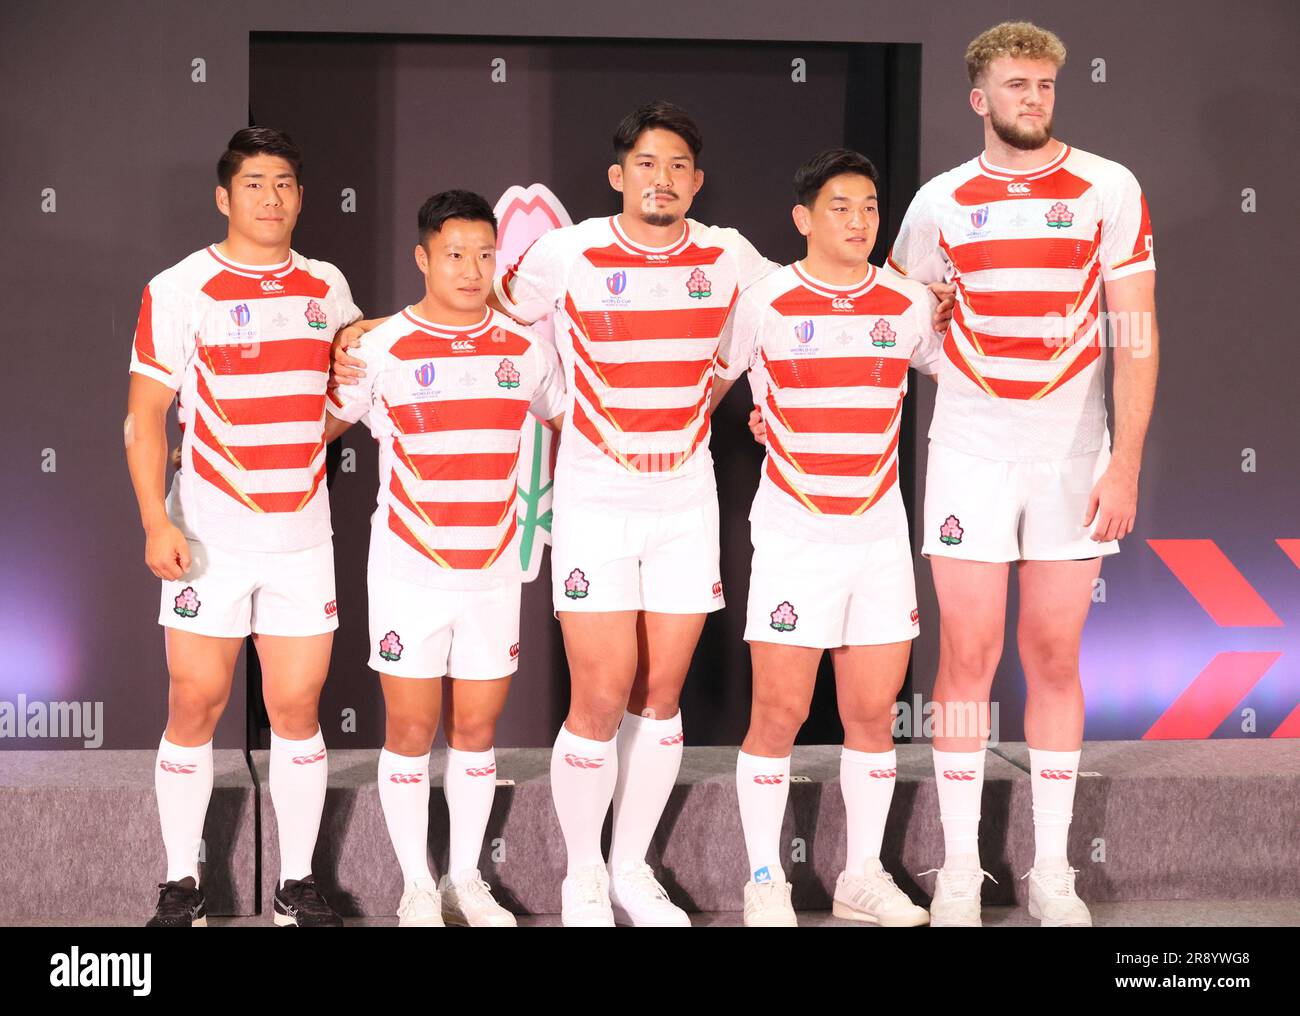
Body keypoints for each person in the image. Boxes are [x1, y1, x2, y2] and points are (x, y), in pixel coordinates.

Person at [886, 21, 1159, 927]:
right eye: (1015, 86)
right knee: (966, 661)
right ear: (980, 98)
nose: (1033, 99)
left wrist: (1123, 464)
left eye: (1044, 85)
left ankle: (1052, 869)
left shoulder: (1107, 188)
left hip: (1072, 459)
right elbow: (903, 318)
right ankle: (960, 867)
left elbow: (1136, 334)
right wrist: (953, 353)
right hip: (967, 453)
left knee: (1053, 657)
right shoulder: (938, 201)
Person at [125, 127, 362, 927]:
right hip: (207, 538)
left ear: (301, 194)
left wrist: (303, 437)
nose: (272, 197)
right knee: (196, 701)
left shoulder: (328, 286)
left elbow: (347, 394)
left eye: (286, 182)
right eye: (255, 184)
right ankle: (181, 885)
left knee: (298, 709)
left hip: (301, 536)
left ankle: (296, 886)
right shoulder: (179, 285)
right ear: (225, 197)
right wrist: (156, 519)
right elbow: (144, 418)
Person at [324, 190, 565, 927]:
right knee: (407, 730)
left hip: (492, 573)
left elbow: (574, 425)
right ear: (423, 257)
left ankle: (465, 880)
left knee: (477, 733)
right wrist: (338, 350)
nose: (471, 270)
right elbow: (324, 427)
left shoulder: (527, 348)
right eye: (455, 255)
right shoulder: (381, 345)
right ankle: (416, 886)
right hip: (408, 569)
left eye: (485, 255)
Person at [719, 148, 938, 928]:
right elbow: (706, 382)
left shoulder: (909, 302)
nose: (858, 221)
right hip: (793, 537)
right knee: (778, 714)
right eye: (840, 207)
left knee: (872, 717)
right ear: (803, 219)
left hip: (879, 536)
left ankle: (862, 876)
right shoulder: (766, 299)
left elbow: (968, 373)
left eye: (871, 208)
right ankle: (764, 878)